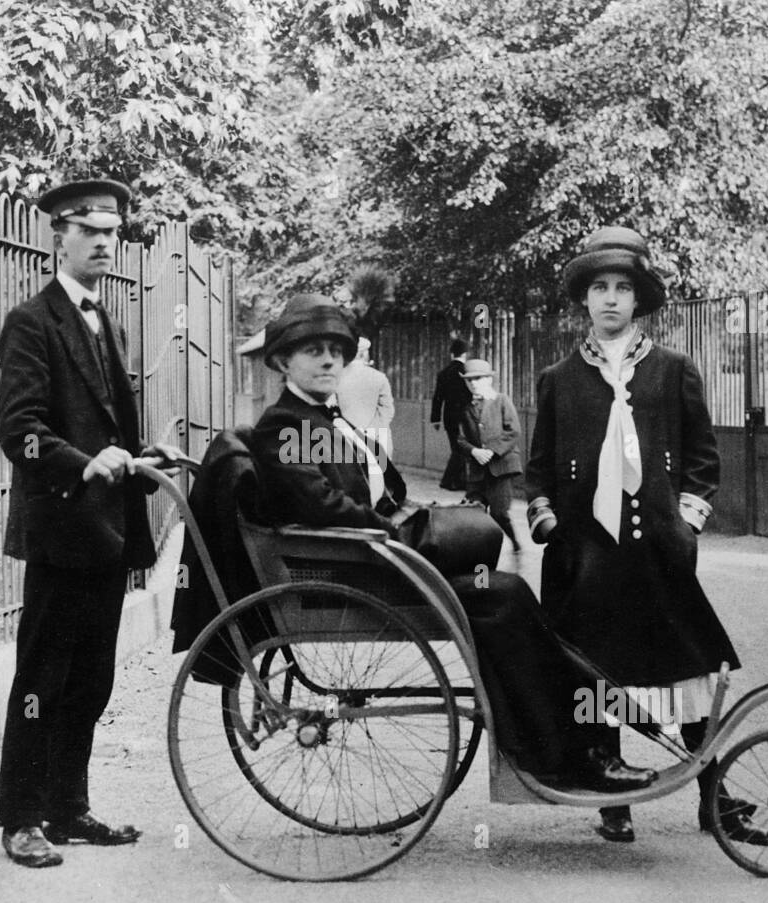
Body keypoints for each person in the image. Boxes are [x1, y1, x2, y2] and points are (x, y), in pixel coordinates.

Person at [249, 293, 657, 790]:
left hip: (370, 560)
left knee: (505, 592)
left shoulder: (321, 419)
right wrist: (408, 533)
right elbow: (322, 506)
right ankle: (564, 752)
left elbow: (362, 493)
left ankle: (583, 736)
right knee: (501, 597)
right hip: (350, 571)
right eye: (313, 351)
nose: (330, 360)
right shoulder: (288, 425)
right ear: (282, 361)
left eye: (337, 350)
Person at [524, 226, 768, 846]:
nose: (610, 299)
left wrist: (684, 523)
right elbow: (540, 464)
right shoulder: (558, 377)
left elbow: (702, 460)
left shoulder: (672, 370)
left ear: (639, 301)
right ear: (584, 300)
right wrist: (548, 520)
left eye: (622, 289)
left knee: (685, 665)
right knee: (595, 671)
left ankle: (714, 794)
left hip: (657, 550)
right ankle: (614, 795)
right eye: (599, 288)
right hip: (585, 553)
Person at [0, 178, 157, 868]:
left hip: (108, 531)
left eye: (110, 232)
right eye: (87, 230)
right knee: (42, 679)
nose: (101, 242)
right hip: (62, 529)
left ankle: (69, 808)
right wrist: (83, 464)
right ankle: (21, 817)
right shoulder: (32, 320)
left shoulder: (106, 322)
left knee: (91, 679)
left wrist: (147, 455)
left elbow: (110, 421)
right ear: (57, 236)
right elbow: (19, 432)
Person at [453, 358, 522, 550]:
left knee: (499, 514)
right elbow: (460, 439)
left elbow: (513, 431)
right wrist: (474, 451)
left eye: (478, 378)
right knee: (472, 510)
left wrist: (491, 451)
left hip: (501, 467)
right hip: (478, 469)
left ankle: (515, 543)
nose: (473, 383)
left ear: (489, 380)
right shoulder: (466, 408)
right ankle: (480, 549)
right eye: (469, 380)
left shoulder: (501, 401)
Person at [337, 337, 396, 459]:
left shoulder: (336, 377)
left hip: (345, 437)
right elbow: (388, 409)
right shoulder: (379, 377)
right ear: (363, 354)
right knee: (377, 476)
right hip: (375, 437)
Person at [430, 339, 473, 491]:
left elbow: (437, 397)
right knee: (462, 449)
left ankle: (458, 481)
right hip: (466, 416)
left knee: (456, 447)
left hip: (449, 416)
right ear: (465, 354)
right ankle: (448, 480)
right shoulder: (466, 372)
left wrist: (435, 419)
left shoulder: (443, 373)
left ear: (451, 354)